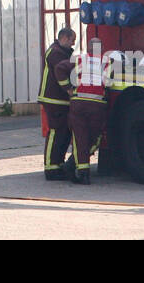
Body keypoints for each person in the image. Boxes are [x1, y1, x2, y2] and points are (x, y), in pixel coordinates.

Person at [61, 40, 108, 185]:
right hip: (97, 104)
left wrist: (67, 88)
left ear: (88, 48)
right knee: (93, 138)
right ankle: (75, 166)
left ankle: (81, 172)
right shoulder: (106, 61)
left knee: (80, 138)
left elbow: (63, 70)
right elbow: (109, 82)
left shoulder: (79, 59)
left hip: (79, 103)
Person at [37, 27, 76, 181]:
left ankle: (58, 165)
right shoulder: (55, 53)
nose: (73, 43)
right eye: (72, 40)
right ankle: (51, 168)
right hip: (54, 100)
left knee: (63, 133)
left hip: (60, 100)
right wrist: (69, 89)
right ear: (64, 38)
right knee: (55, 133)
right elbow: (63, 71)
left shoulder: (61, 52)